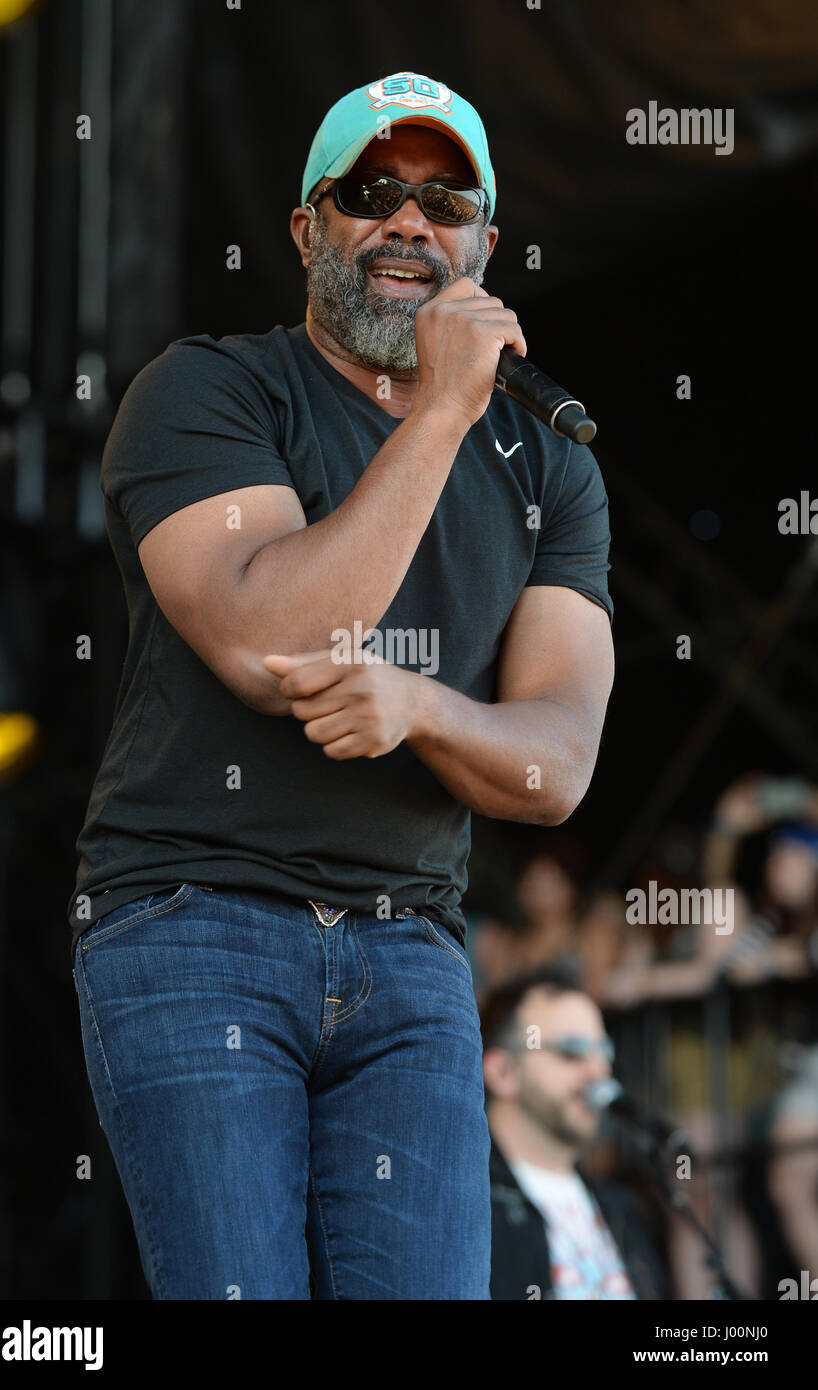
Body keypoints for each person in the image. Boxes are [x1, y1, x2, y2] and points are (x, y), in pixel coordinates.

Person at [68, 71, 615, 1300]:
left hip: (411, 949)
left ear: (481, 241)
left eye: (442, 199)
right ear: (310, 229)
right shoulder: (209, 391)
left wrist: (422, 706)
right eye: (372, 192)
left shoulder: (549, 467)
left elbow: (555, 764)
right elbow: (275, 639)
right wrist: (436, 414)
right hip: (195, 920)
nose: (409, 223)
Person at [481, 966, 668, 1299]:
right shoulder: (468, 1205)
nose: (600, 1073)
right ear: (502, 1071)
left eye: (604, 1053)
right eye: (572, 1052)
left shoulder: (622, 1208)